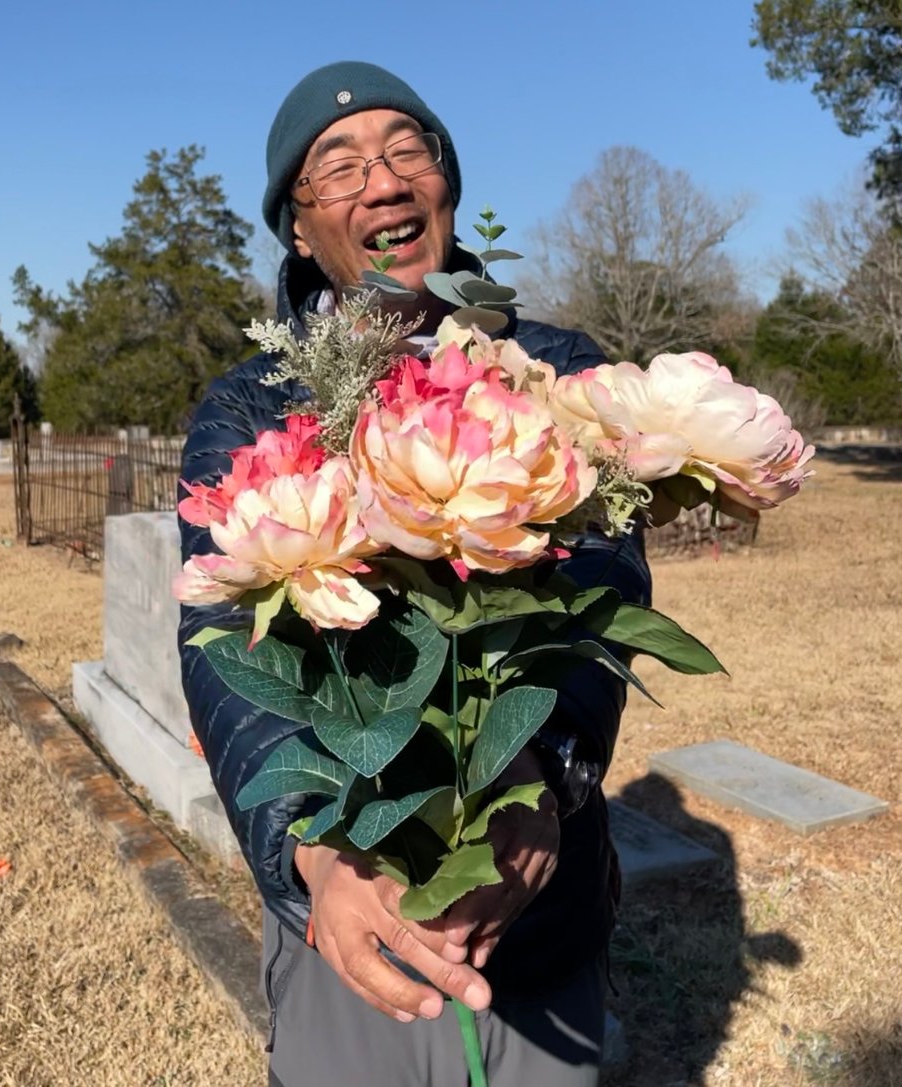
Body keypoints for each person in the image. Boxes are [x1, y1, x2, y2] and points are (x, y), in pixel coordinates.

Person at [178, 61, 652, 1087]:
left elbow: (607, 590)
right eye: (337, 167)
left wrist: (545, 769)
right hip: (350, 917)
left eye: (407, 151)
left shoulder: (554, 369)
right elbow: (217, 644)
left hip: (530, 902)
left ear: (446, 184)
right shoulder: (252, 409)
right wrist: (309, 852)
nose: (382, 183)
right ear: (300, 230)